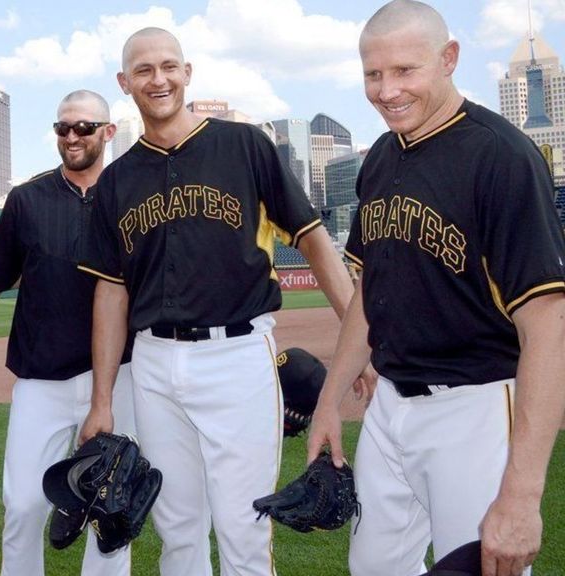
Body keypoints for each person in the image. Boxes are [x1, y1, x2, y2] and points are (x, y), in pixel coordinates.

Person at [78, 27, 371, 576]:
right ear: (125, 83)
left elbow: (312, 238)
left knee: (243, 529)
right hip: (154, 365)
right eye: (143, 70)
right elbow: (111, 290)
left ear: (188, 73)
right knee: (176, 529)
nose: (158, 78)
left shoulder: (244, 146)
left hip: (236, 358)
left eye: (169, 66)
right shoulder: (117, 181)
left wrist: (362, 343)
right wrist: (101, 401)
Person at [307, 2, 565, 576]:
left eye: (405, 70)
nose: (386, 89)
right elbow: (369, 296)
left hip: (473, 407)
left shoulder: (501, 156)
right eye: (374, 74)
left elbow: (548, 322)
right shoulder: (378, 158)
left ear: (448, 59)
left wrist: (522, 495)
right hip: (390, 407)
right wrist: (330, 399)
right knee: (372, 567)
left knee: (484, 565)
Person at [0, 90, 136, 576]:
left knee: (111, 506)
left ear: (107, 132)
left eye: (83, 127)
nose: (71, 136)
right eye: (63, 127)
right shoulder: (26, 198)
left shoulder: (131, 194)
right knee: (22, 505)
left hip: (121, 375)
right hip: (41, 379)